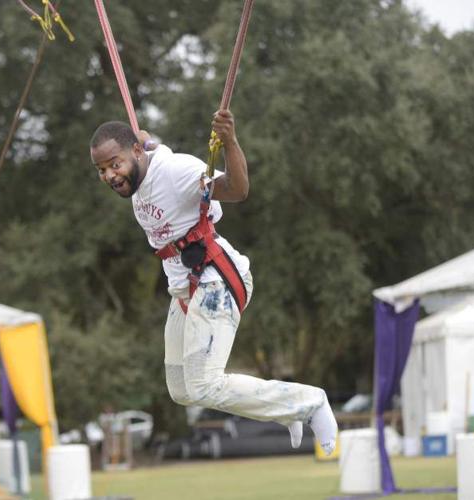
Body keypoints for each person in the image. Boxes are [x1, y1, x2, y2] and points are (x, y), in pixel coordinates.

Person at [89, 109, 337, 453]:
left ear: (134, 153)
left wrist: (231, 141)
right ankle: (284, 411)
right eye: (102, 170)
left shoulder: (177, 171)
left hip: (214, 278)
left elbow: (238, 189)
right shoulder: (142, 162)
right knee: (181, 389)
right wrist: (143, 140)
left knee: (204, 385)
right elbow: (146, 139)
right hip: (184, 290)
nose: (110, 176)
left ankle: (309, 402)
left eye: (115, 164)